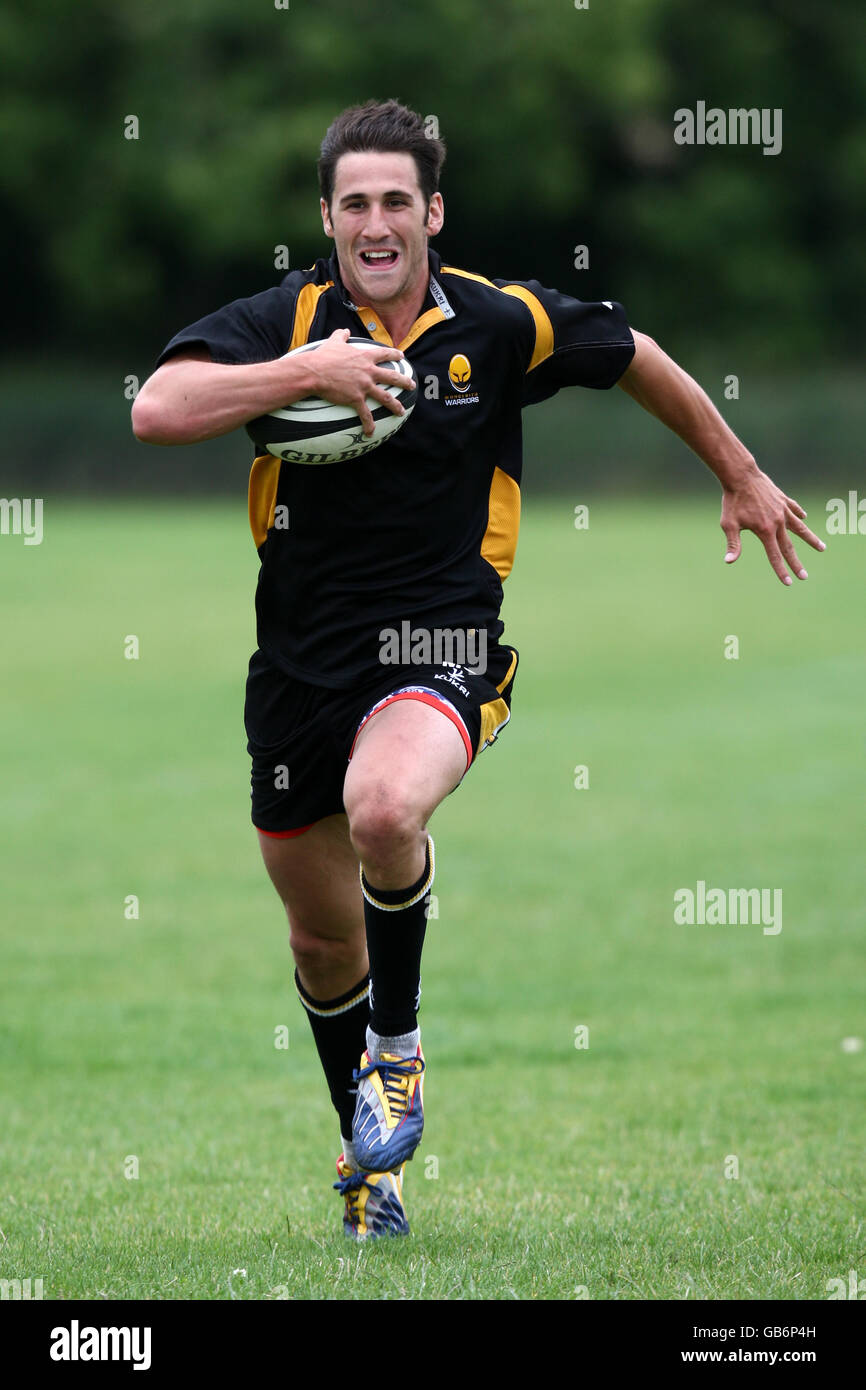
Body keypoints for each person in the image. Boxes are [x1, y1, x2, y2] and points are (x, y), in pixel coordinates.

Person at [131, 98, 825, 1240]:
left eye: (395, 199)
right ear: (327, 216)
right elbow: (158, 411)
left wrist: (739, 471)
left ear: (431, 211)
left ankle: (395, 1055)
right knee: (318, 944)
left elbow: (633, 353)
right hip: (298, 669)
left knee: (384, 806)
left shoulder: (497, 325)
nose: (374, 221)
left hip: (441, 642)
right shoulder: (287, 320)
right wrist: (299, 373)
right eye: (353, 201)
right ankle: (372, 1168)